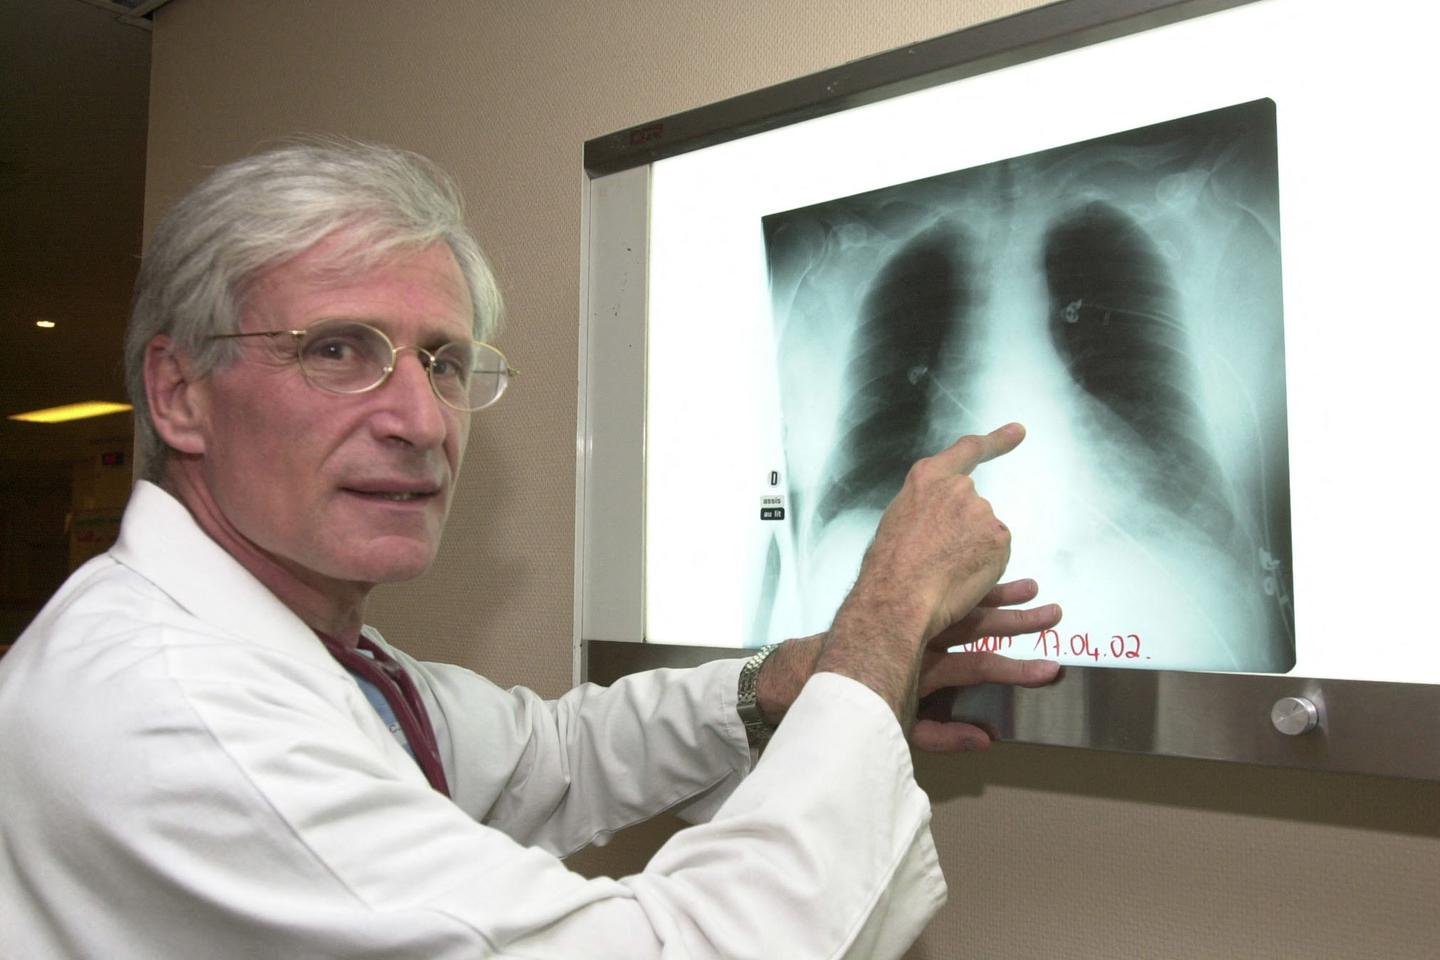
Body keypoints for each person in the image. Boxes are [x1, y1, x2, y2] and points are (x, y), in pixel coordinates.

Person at [0, 139, 1061, 959]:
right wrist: (887, 618)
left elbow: (541, 759)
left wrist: (785, 683)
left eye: (445, 361)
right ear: (179, 394)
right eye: (338, 350)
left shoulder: (301, 650)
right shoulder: (177, 708)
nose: (422, 418)